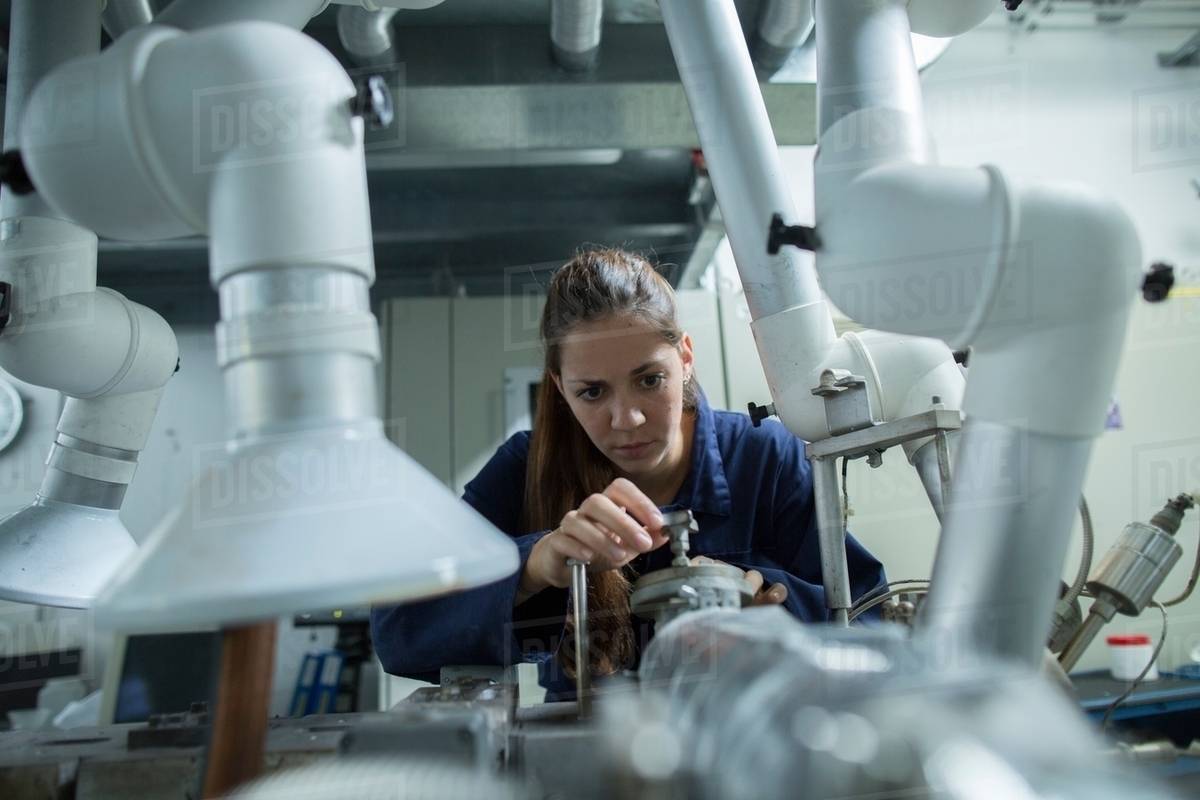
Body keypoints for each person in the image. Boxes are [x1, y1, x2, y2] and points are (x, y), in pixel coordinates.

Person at [371, 248, 885, 694]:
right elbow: (398, 633)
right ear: (559, 386)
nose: (628, 419)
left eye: (649, 379)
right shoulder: (524, 471)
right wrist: (535, 566)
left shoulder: (763, 457)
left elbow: (873, 618)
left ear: (684, 357)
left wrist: (771, 603)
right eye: (592, 392)